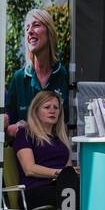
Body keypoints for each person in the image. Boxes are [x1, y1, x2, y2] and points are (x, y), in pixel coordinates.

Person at [13, 90, 81, 210]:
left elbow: (67, 173)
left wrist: (71, 173)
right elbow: (29, 168)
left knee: (76, 187)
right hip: (33, 191)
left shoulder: (60, 139)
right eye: (47, 107)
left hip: (61, 191)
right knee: (70, 184)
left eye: (56, 108)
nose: (53, 111)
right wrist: (60, 173)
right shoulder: (25, 134)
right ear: (36, 110)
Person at [6, 9, 69, 139]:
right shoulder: (19, 78)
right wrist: (16, 129)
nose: (29, 31)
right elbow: (8, 126)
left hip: (55, 153)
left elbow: (66, 121)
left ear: (49, 32)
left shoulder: (63, 74)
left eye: (36, 25)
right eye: (27, 28)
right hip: (25, 154)